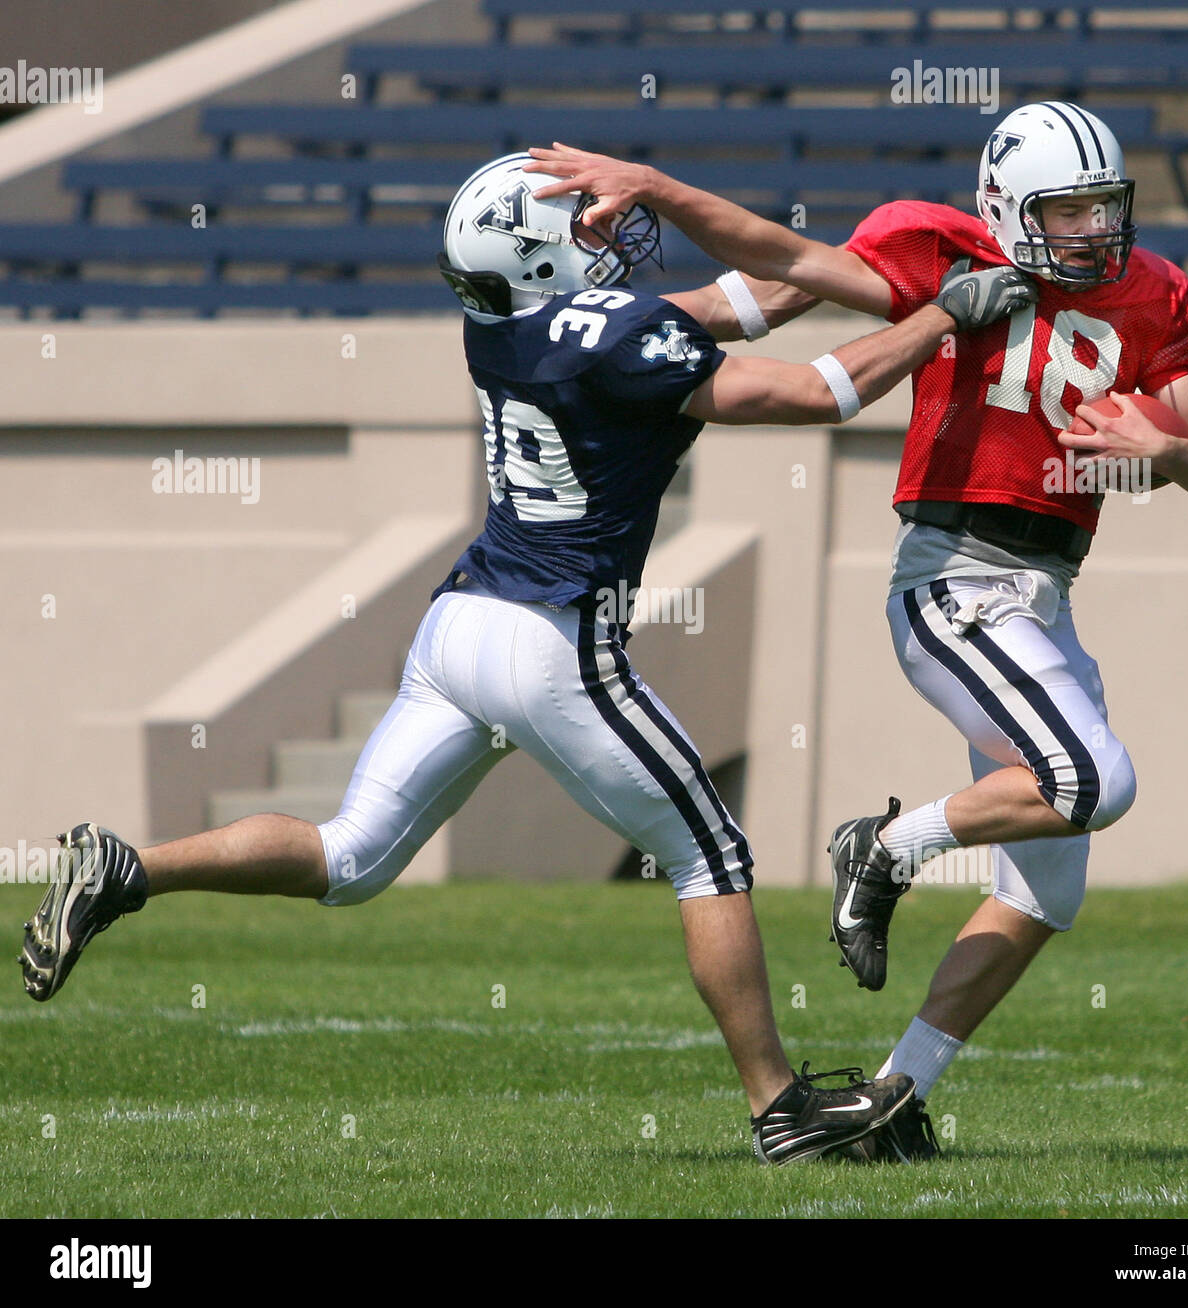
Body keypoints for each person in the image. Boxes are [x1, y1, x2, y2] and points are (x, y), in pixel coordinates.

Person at [18, 152, 1035, 1165]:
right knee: (709, 855)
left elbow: (727, 308)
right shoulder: (621, 336)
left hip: (459, 629)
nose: (607, 239)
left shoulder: (498, 324)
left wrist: (870, 268)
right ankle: (780, 1110)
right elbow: (817, 394)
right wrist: (943, 317)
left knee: (351, 856)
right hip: (554, 640)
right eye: (584, 232)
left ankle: (130, 868)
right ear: (541, 256)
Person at [526, 99, 1188, 1162]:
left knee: (1044, 891)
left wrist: (1170, 447)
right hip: (953, 579)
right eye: (1069, 212)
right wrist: (658, 186)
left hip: (1042, 596)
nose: (1095, 232)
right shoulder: (942, 252)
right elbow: (787, 261)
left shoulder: (1151, 296)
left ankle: (892, 1096)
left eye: (1106, 207)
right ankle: (887, 847)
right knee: (1093, 784)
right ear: (1006, 210)